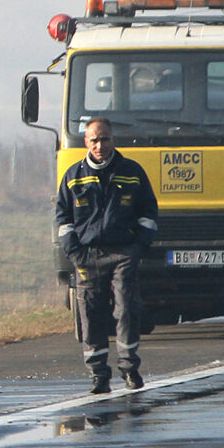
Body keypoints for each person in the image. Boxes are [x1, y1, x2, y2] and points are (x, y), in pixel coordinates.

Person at [55, 117, 159, 393]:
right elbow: (63, 220)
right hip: (87, 257)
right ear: (86, 142)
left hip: (123, 254)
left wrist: (137, 248)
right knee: (90, 314)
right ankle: (99, 375)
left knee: (126, 310)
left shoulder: (132, 172)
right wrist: (75, 254)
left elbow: (149, 214)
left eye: (105, 139)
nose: (100, 145)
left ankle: (129, 369)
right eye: (94, 140)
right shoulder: (73, 176)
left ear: (113, 140)